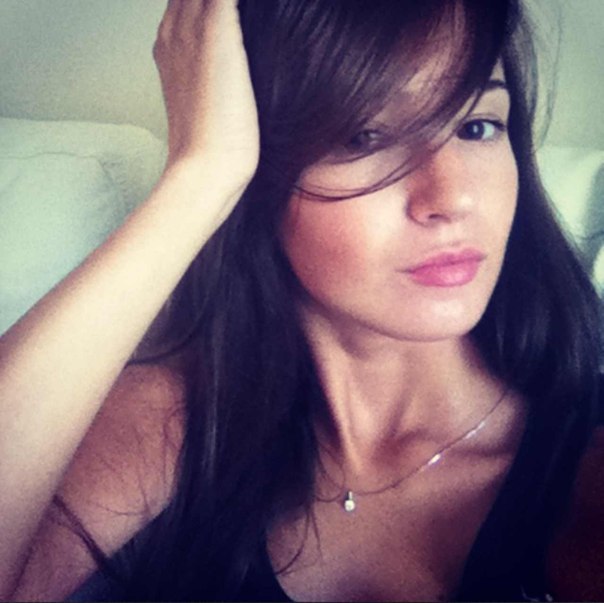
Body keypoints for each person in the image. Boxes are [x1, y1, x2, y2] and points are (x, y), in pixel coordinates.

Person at [0, 0, 602, 600]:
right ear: (258, 171)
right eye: (364, 136)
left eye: (477, 127)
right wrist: (200, 176)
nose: (453, 198)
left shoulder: (585, 446)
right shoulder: (178, 427)